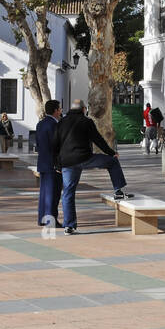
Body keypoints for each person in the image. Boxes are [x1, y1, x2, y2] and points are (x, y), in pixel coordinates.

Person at [54, 99, 132, 235]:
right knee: (112, 162)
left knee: (68, 193)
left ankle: (69, 226)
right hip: (85, 158)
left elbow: (55, 144)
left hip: (67, 162)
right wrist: (112, 153)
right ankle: (118, 191)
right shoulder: (86, 121)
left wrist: (57, 164)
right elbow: (98, 140)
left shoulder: (61, 122)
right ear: (83, 109)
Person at [35, 100, 64, 229]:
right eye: (60, 109)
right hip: (53, 164)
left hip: (43, 162)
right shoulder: (54, 125)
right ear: (55, 110)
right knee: (53, 194)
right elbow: (56, 145)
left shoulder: (40, 124)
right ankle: (50, 220)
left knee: (44, 193)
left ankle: (42, 218)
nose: (61, 111)